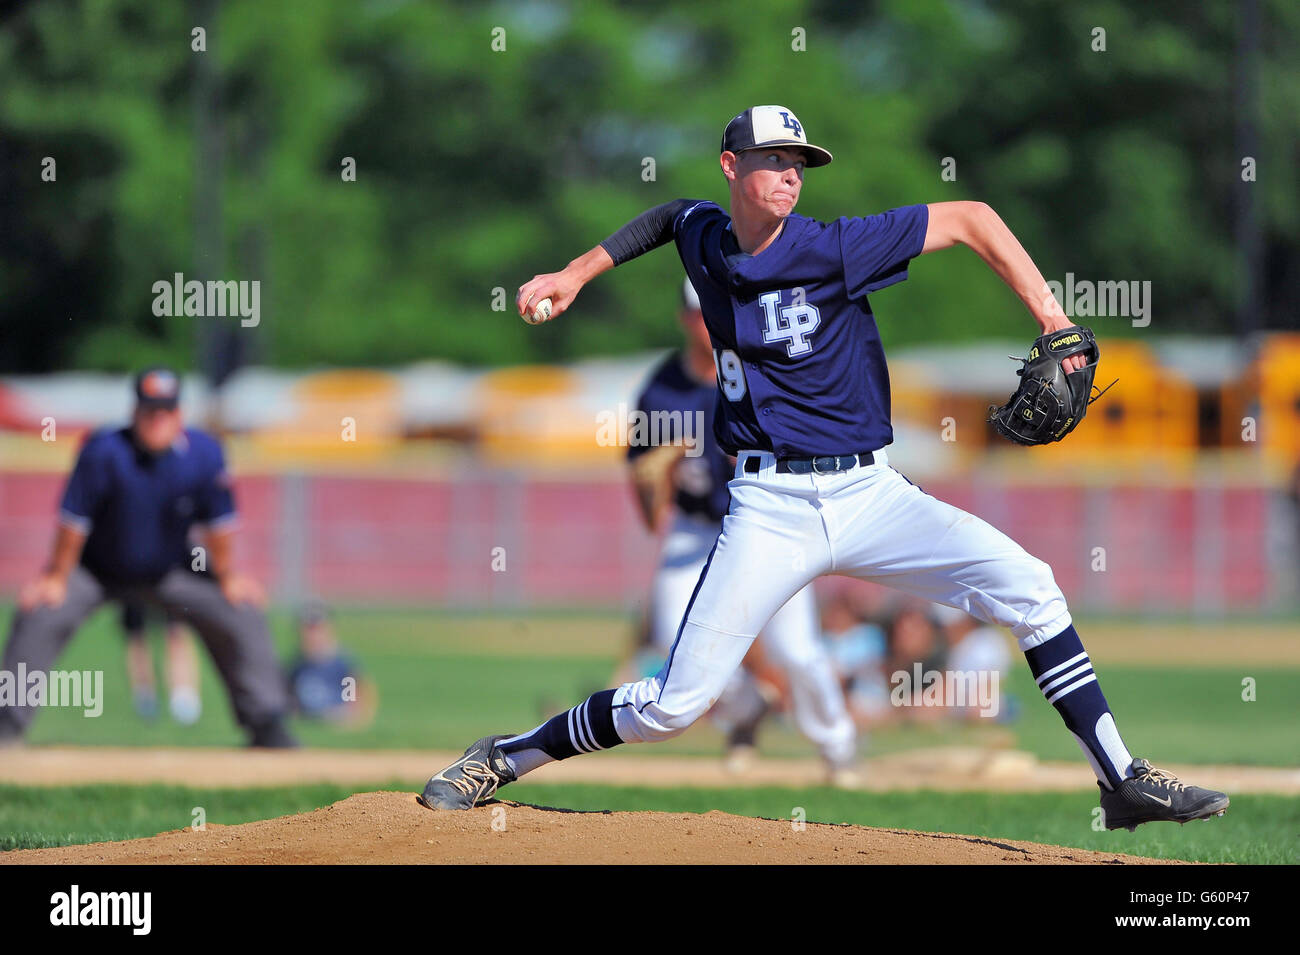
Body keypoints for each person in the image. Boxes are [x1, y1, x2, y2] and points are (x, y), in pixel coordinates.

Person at [420, 105, 1228, 832]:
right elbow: (667, 218)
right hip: (769, 504)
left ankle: (1121, 778)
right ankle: (505, 754)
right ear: (732, 166)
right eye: (773, 159)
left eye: (799, 163)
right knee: (673, 707)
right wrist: (573, 273)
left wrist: (1053, 317)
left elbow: (974, 219)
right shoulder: (708, 235)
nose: (790, 175)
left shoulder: (837, 246)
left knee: (1034, 587)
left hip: (871, 490)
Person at [626, 277, 858, 781]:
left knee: (797, 649)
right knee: (675, 641)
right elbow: (649, 508)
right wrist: (653, 479)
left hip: (767, 522)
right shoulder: (662, 386)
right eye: (694, 313)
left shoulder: (758, 369)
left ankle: (837, 748)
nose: (703, 322)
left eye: (711, 311)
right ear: (683, 319)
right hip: (694, 528)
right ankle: (747, 705)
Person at [0, 367, 297, 748]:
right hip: (97, 567)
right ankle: (7, 725)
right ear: (135, 411)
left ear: (179, 414)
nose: (157, 420)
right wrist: (55, 577)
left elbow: (219, 524)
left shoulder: (204, 453)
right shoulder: (104, 450)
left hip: (172, 567)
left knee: (241, 611)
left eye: (166, 411)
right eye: (149, 410)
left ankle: (267, 723)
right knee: (40, 612)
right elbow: (73, 521)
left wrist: (227, 577)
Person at [286, 600, 376, 725]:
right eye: (308, 630)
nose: (313, 636)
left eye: (317, 630)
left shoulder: (343, 664)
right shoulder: (296, 666)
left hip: (335, 719)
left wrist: (347, 716)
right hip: (309, 721)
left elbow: (356, 703)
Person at [120, 601, 202, 724]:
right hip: (134, 584)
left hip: (169, 584)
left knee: (176, 629)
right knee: (136, 633)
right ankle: (144, 694)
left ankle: (183, 695)